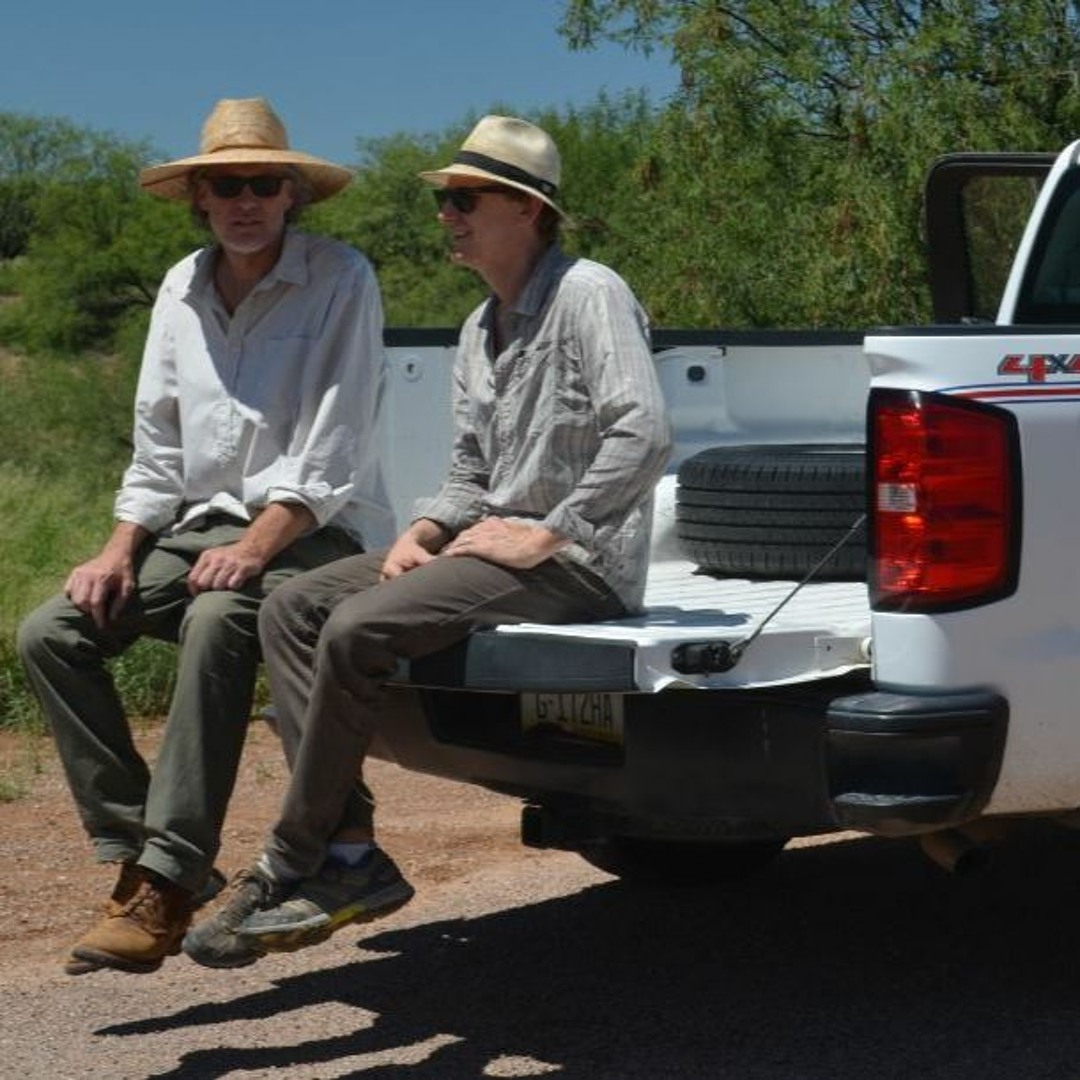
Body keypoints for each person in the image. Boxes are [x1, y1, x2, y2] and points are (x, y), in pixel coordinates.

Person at [183, 114, 673, 969]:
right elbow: (467, 471)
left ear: (524, 208)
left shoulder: (589, 292)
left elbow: (643, 432)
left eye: (462, 199)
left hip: (576, 567)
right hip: (486, 548)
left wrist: (551, 533)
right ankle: (349, 854)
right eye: (445, 200)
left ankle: (291, 860)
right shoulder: (479, 329)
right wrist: (422, 531)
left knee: (356, 628)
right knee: (293, 605)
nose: (445, 215)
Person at [16, 97, 391, 976]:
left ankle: (169, 886)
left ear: (292, 194)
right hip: (201, 529)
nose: (245, 200)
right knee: (52, 632)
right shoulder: (182, 288)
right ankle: (133, 848)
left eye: (264, 182)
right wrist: (116, 550)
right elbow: (158, 450)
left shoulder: (341, 277)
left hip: (320, 530)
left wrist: (258, 547)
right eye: (227, 184)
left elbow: (334, 450)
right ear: (199, 197)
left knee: (220, 617)